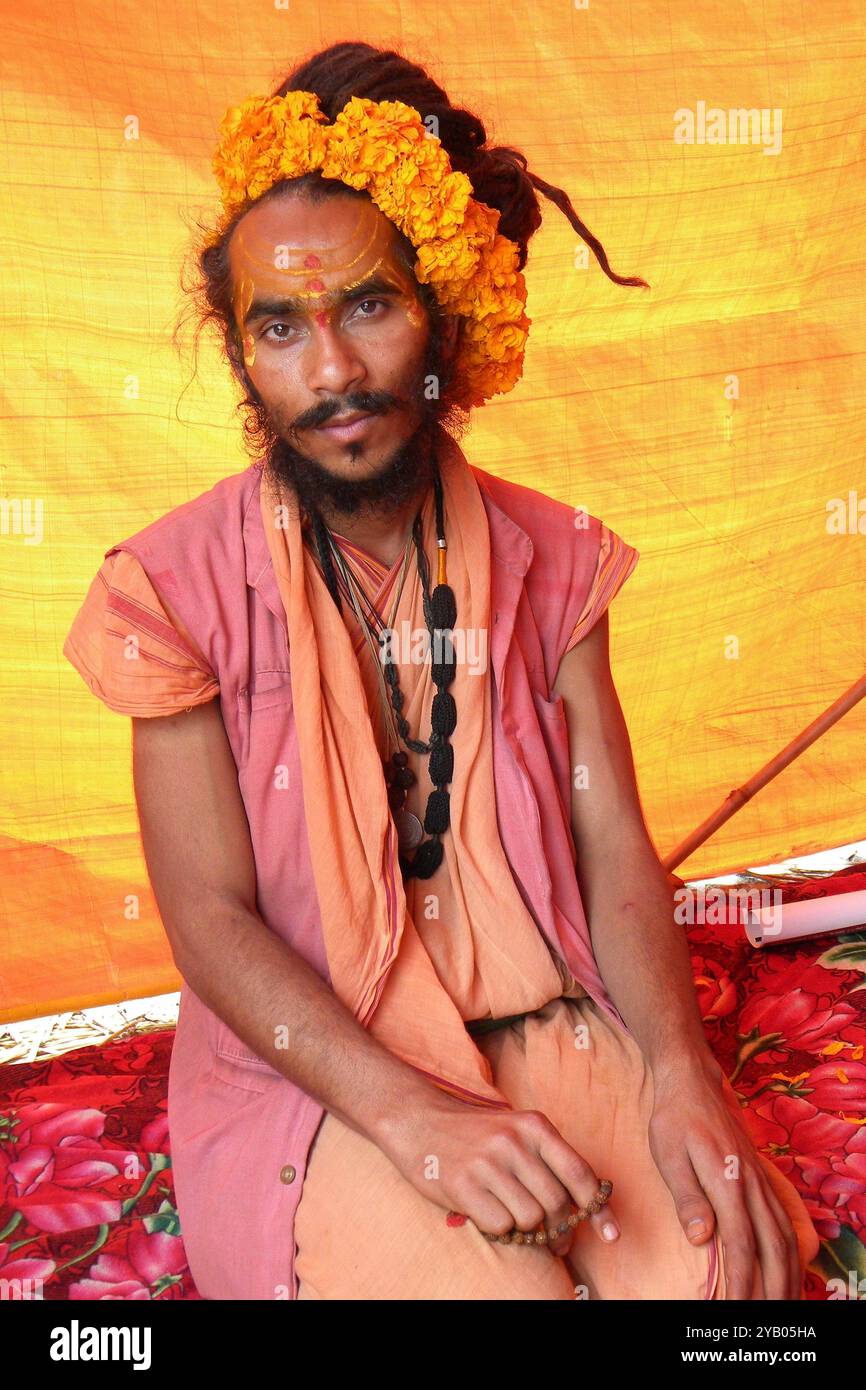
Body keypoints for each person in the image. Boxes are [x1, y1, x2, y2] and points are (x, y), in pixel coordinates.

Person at [63, 41, 820, 1301]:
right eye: (281, 326)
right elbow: (207, 920)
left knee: (728, 1289)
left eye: (367, 305)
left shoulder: (553, 559)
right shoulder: (172, 592)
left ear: (442, 312)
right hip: (328, 1078)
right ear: (242, 353)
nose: (334, 371)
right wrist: (416, 1122)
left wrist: (684, 1079)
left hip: (561, 1023)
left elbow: (611, 840)